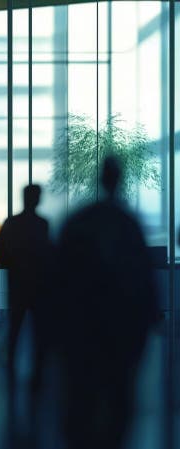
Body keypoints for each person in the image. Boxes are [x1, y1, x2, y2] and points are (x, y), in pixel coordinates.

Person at [57, 157, 158, 449]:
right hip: (120, 326)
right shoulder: (128, 224)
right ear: (119, 179)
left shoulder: (79, 221)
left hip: (84, 325)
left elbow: (60, 278)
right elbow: (143, 277)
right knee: (119, 397)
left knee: (80, 397)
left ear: (99, 179)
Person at [0, 185, 54, 403]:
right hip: (38, 284)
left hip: (18, 282)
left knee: (16, 326)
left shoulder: (12, 223)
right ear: (36, 200)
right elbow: (49, 252)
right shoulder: (42, 224)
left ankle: (10, 366)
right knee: (38, 328)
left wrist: (12, 264)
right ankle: (38, 371)